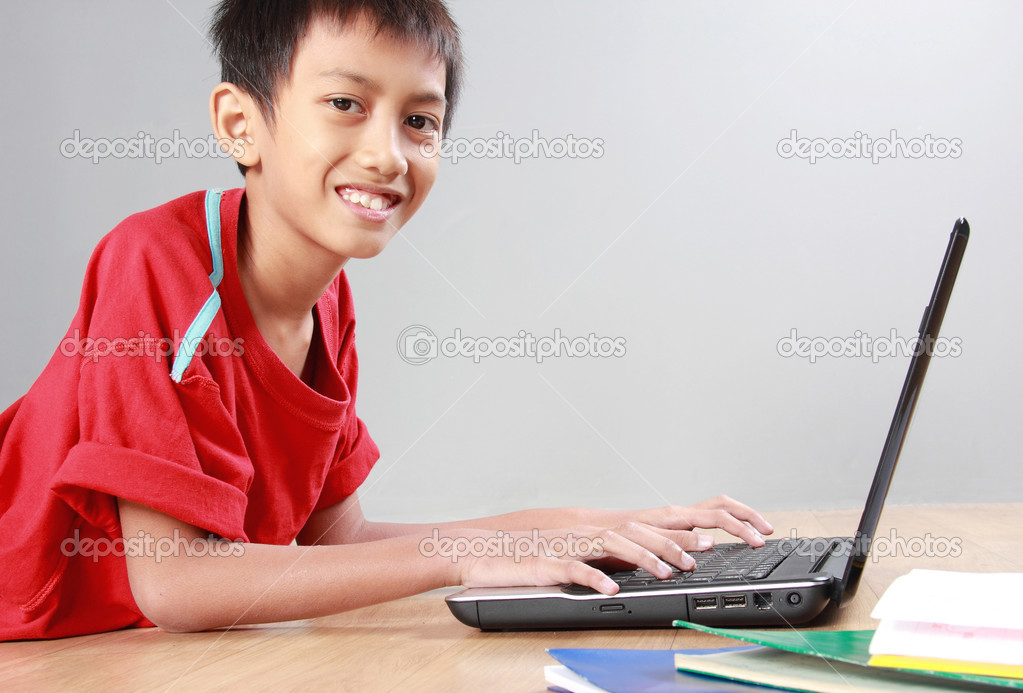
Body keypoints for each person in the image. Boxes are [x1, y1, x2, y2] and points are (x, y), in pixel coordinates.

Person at [0, 0, 773, 641]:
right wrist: (458, 556)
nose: (388, 154)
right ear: (241, 123)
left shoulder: (326, 299)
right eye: (345, 104)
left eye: (420, 121)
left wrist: (601, 525)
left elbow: (333, 540)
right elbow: (176, 581)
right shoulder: (155, 261)